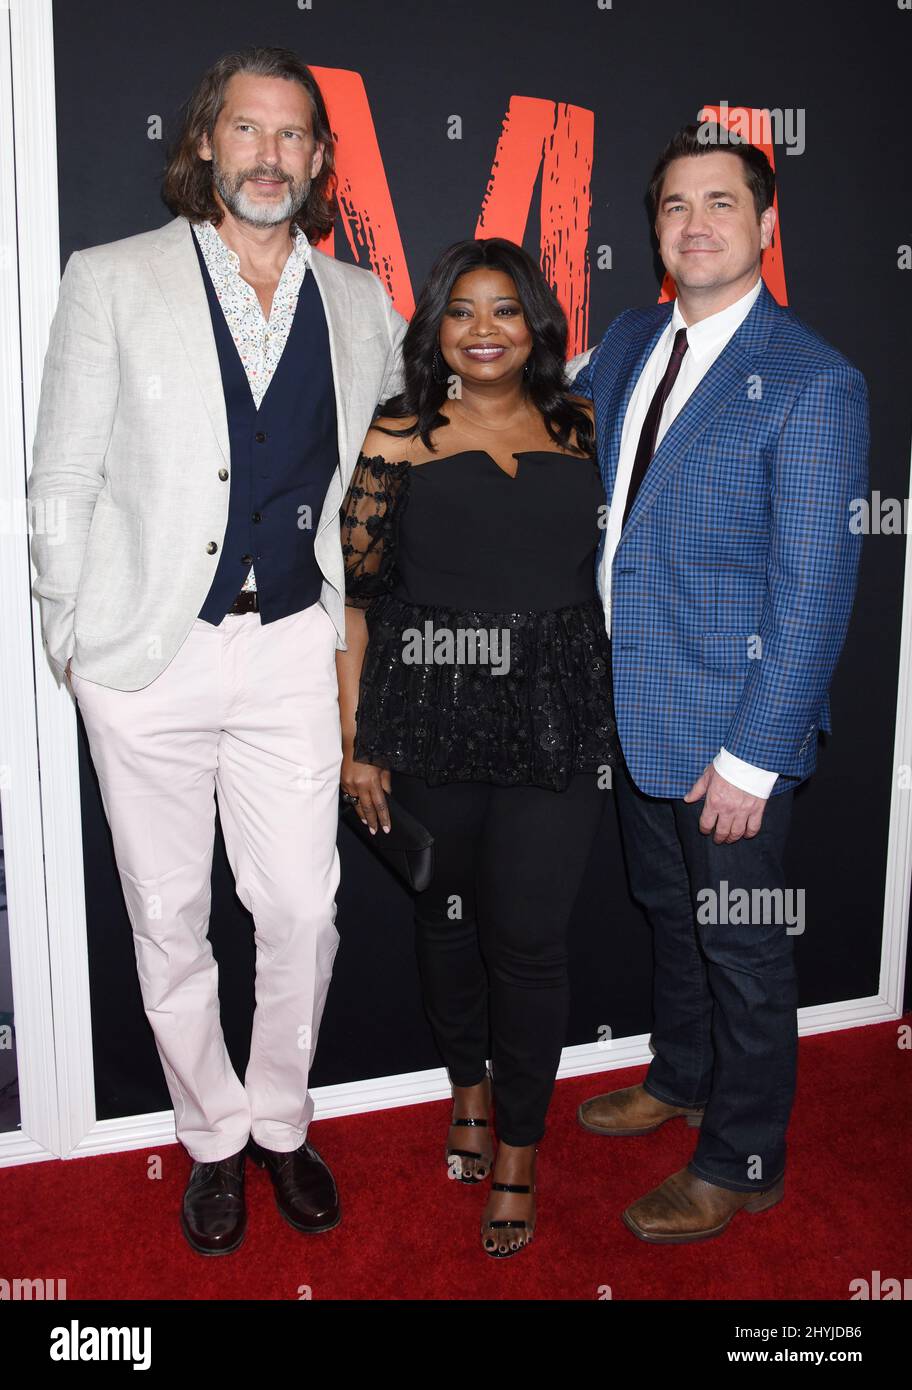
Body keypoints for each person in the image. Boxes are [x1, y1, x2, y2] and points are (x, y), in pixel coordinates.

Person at [27, 46, 407, 1256]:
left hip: (293, 643)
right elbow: (63, 476)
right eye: (249, 131)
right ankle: (211, 1137)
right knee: (168, 911)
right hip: (148, 656)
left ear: (318, 160)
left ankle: (283, 1122)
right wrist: (71, 639)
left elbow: (375, 490)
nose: (270, 156)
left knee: (301, 905)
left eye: (294, 137)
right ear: (207, 141)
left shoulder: (360, 303)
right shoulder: (113, 278)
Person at [569, 123, 869, 1243]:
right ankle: (682, 1077)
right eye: (676, 207)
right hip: (635, 704)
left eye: (723, 204)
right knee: (668, 913)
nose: (697, 224)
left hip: (734, 726)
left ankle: (744, 1157)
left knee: (740, 943)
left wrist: (753, 756)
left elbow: (815, 591)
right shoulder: (635, 333)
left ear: (767, 224)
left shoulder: (813, 382)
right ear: (656, 229)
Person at [336, 237, 619, 1257]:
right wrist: (358, 740)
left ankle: (521, 1148)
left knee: (531, 940)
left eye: (506, 308)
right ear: (438, 330)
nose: (486, 327)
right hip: (428, 709)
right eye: (463, 310)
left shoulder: (583, 424)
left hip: (558, 709)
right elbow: (358, 601)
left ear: (538, 324)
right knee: (447, 917)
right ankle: (467, 1084)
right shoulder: (401, 431)